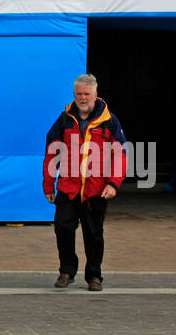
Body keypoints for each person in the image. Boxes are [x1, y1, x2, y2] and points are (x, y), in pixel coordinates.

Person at [43, 73, 127, 292]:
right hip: (68, 188)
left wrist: (113, 183)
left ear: (95, 94)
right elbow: (52, 153)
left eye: (86, 94)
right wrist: (48, 185)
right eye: (79, 94)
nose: (82, 97)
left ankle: (94, 276)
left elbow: (120, 154)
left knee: (94, 234)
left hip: (95, 190)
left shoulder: (109, 121)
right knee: (62, 229)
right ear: (74, 94)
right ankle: (66, 271)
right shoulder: (64, 119)